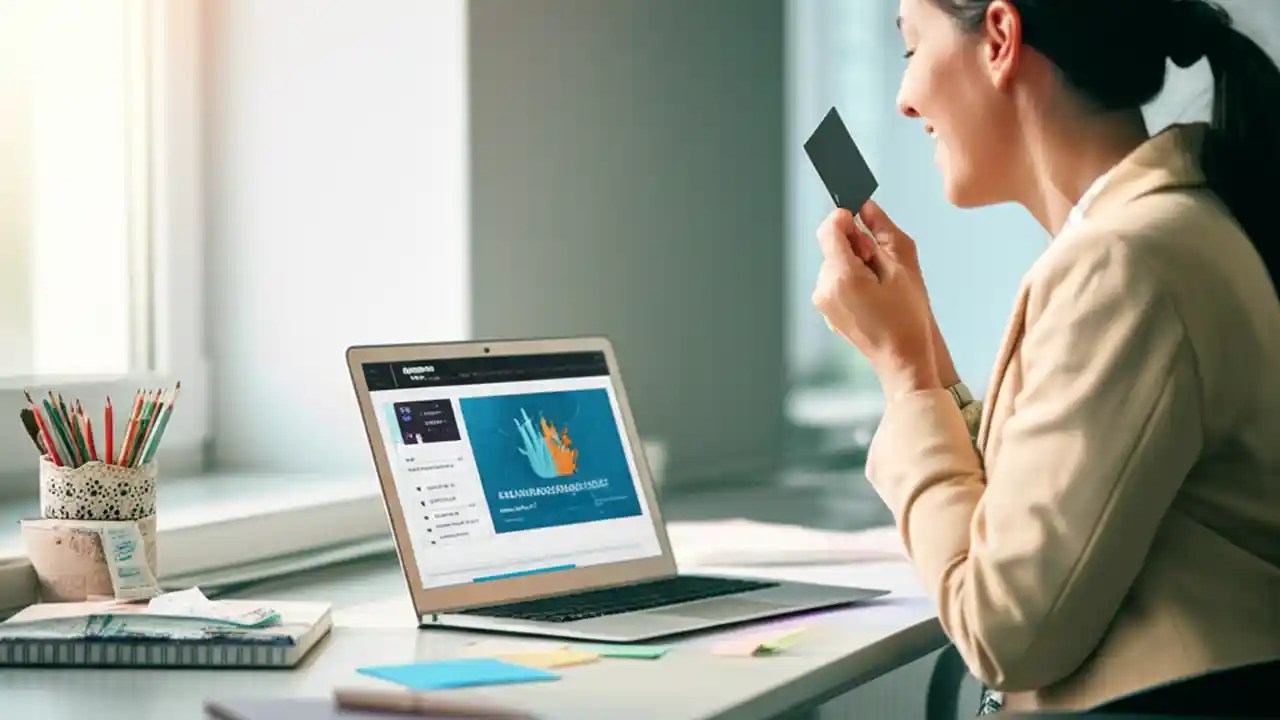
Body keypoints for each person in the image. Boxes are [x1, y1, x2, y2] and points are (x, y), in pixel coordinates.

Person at [811, 0, 1280, 714]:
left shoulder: (1128, 264)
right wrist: (923, 353)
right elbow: (1034, 516)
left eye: (912, 51)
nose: (905, 101)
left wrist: (905, 381)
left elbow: (1003, 634)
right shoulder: (1153, 239)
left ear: (999, 37)